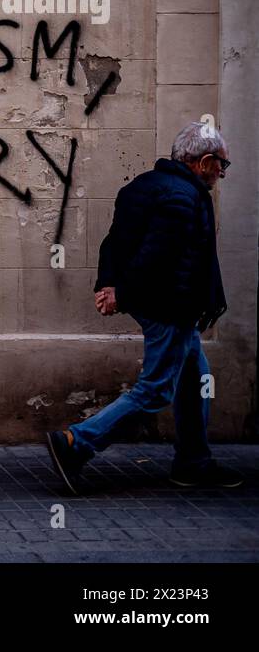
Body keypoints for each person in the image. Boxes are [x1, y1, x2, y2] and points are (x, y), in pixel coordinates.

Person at [44, 121, 239, 494]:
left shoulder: (145, 185)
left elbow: (115, 242)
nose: (222, 174)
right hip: (170, 305)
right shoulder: (185, 197)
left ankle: (193, 462)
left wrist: (109, 284)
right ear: (205, 161)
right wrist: (121, 293)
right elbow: (156, 259)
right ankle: (75, 443)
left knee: (194, 377)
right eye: (222, 166)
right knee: (155, 389)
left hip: (160, 301)